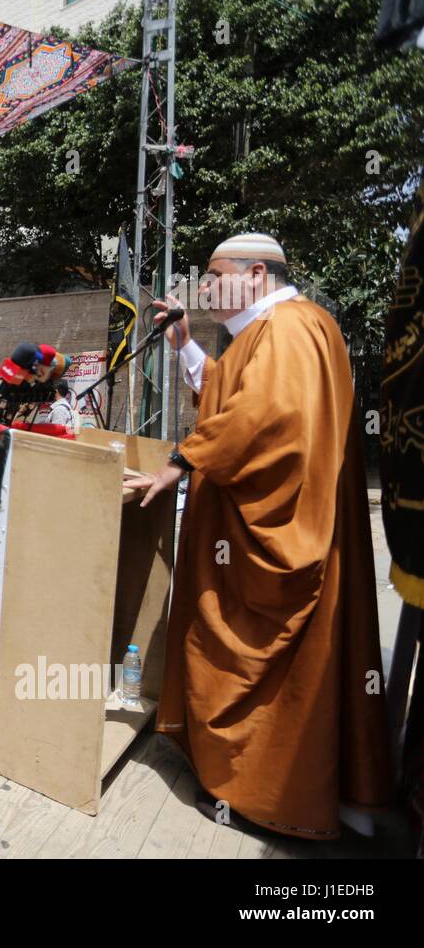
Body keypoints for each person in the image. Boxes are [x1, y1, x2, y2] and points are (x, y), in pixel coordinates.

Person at [127, 232, 391, 839]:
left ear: (255, 273)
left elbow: (265, 415)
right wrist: (186, 346)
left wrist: (181, 461)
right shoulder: (270, 331)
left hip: (287, 536)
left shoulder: (293, 326)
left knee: (279, 667)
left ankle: (276, 793)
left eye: (214, 275)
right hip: (258, 526)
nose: (205, 287)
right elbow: (233, 395)